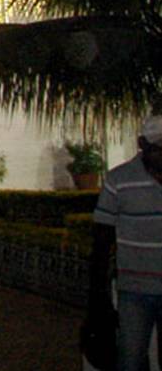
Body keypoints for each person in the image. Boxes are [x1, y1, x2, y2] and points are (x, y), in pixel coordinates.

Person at [87, 115, 162, 371]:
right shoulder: (118, 180)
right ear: (142, 144)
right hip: (135, 291)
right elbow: (101, 242)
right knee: (130, 361)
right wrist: (99, 296)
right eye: (157, 149)